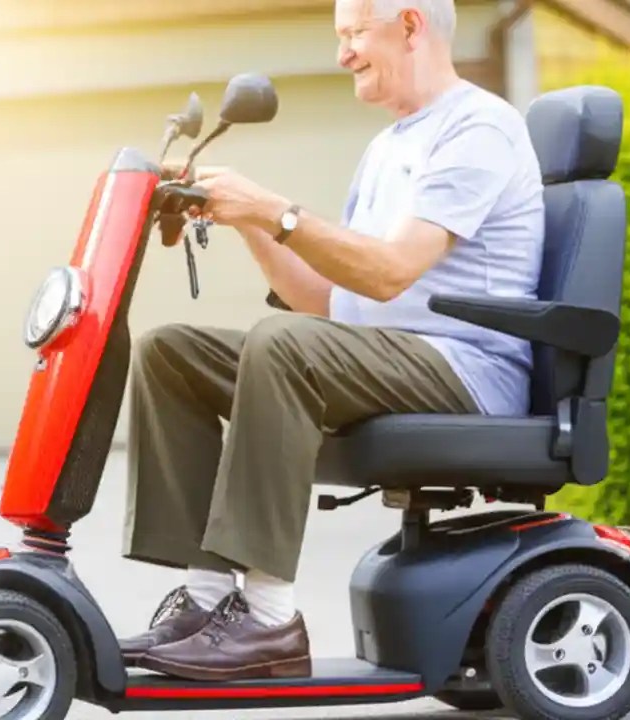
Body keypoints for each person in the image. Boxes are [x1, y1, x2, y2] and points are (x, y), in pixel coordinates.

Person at [119, 0, 545, 682]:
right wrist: (243, 220)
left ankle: (267, 619)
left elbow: (388, 272)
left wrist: (273, 209)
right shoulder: (389, 146)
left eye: (353, 35)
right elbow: (326, 300)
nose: (342, 54)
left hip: (466, 369)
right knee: (172, 353)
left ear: (410, 25)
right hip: (379, 360)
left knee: (285, 344)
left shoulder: (479, 128)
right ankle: (204, 603)